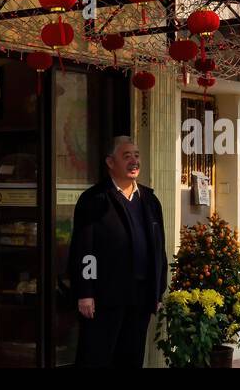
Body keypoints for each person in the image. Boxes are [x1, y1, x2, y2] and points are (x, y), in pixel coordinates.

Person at [67, 136, 168, 368]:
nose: (134, 161)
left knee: (131, 358)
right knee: (97, 357)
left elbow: (158, 249)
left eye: (136, 155)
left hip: (140, 297)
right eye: (127, 156)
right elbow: (85, 250)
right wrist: (86, 292)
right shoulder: (94, 199)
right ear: (110, 162)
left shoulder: (150, 200)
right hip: (105, 297)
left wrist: (157, 291)